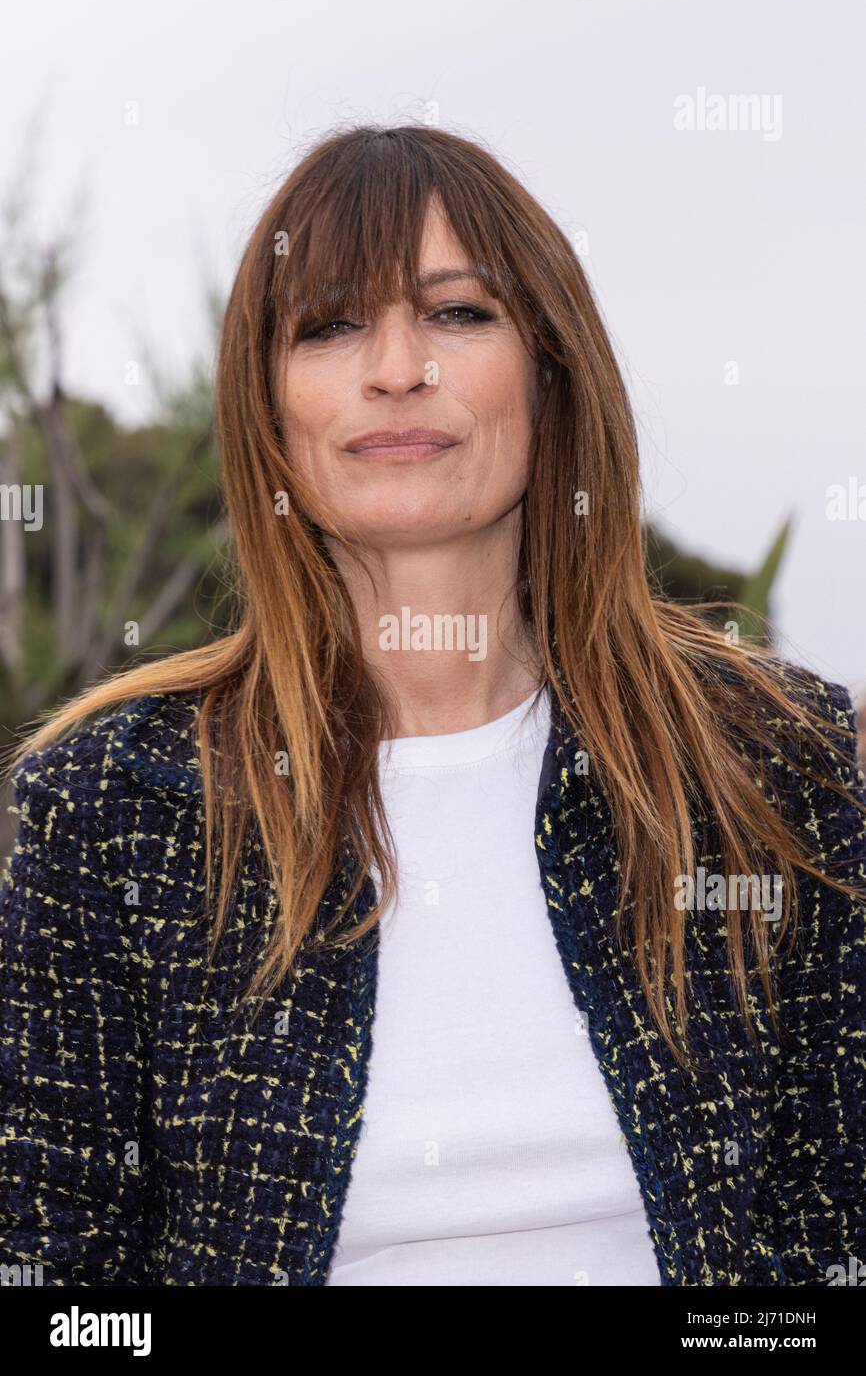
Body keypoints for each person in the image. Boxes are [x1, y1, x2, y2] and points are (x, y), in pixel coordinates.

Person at [1, 124, 864, 1288]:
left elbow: (834, 1236)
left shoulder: (778, 761)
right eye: (330, 323)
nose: (396, 368)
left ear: (549, 368)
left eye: (457, 313)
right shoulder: (110, 802)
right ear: (267, 405)